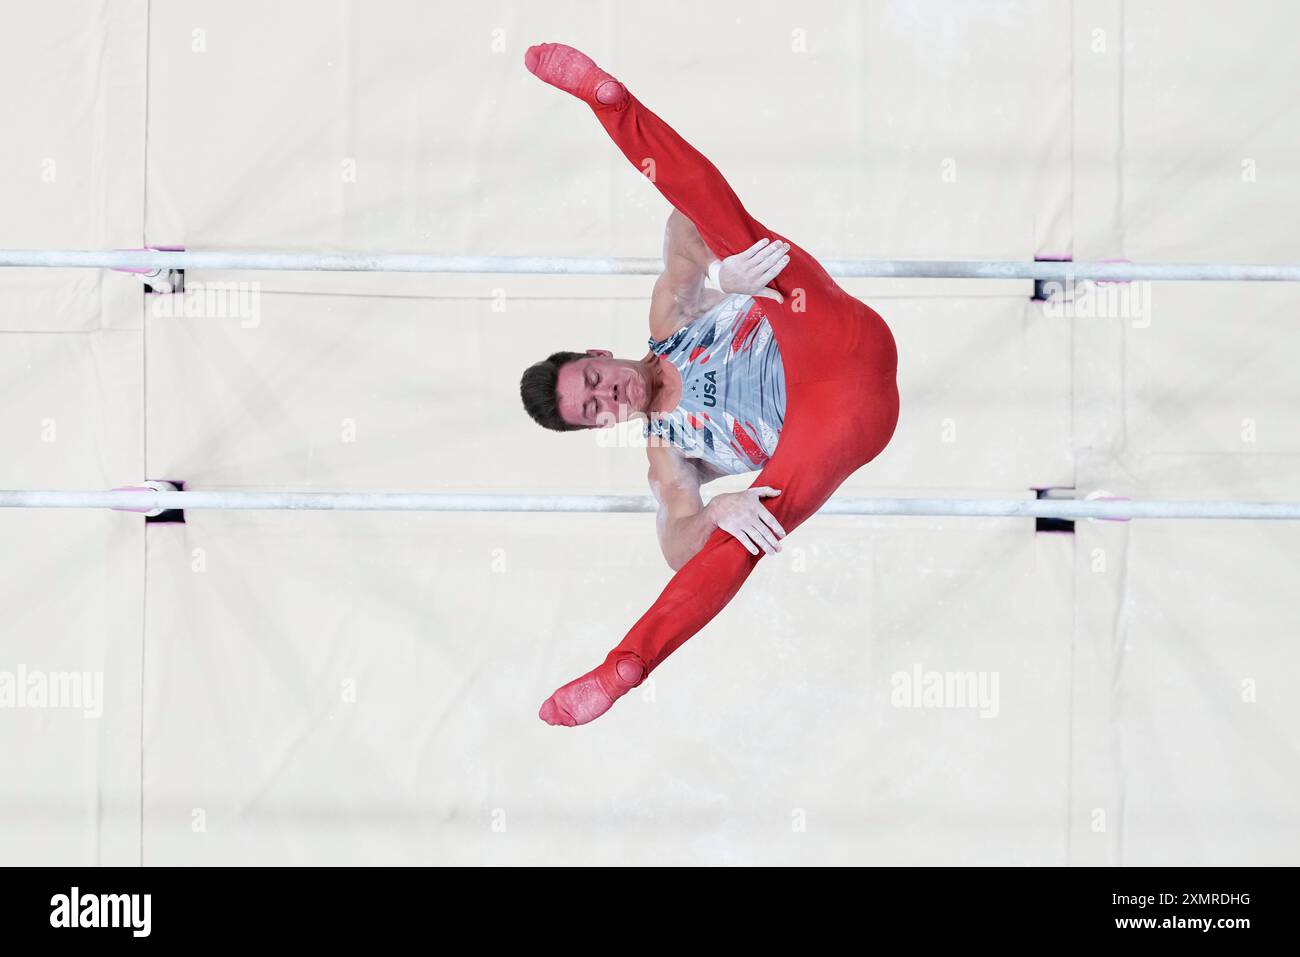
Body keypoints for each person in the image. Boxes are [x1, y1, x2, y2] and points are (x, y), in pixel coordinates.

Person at [520, 43, 899, 726]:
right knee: (734, 540)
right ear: (599, 427)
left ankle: (613, 104)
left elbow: (683, 228)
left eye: (597, 380)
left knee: (729, 231)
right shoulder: (667, 453)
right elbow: (675, 544)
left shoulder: (669, 318)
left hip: (821, 329)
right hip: (828, 434)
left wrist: (726, 274)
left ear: (602, 353)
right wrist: (716, 509)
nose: (611, 397)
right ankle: (627, 665)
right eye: (595, 409)